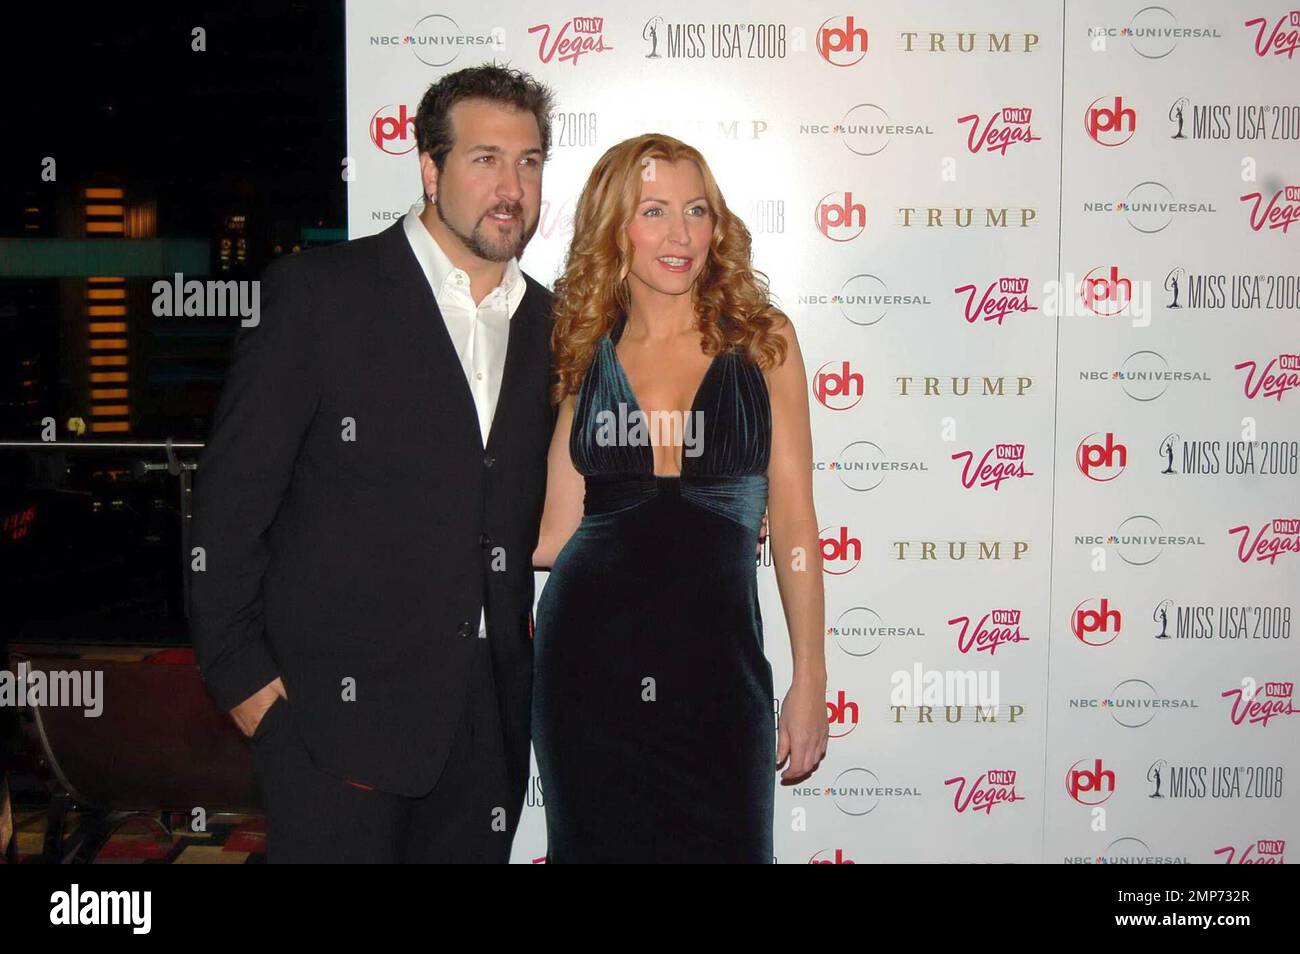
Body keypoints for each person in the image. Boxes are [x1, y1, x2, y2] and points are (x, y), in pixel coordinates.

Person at [189, 65, 556, 862]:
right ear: (430, 168)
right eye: (485, 159)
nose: (511, 187)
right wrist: (245, 684)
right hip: (331, 723)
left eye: (528, 162)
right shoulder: (321, 294)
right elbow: (230, 503)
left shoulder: (550, 325)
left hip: (485, 726)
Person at [531, 134, 828, 862]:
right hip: (589, 667)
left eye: (697, 210)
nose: (681, 234)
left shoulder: (763, 341)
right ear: (614, 226)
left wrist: (810, 678)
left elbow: (795, 521)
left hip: (719, 671)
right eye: (654, 211)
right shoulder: (585, 350)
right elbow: (553, 535)